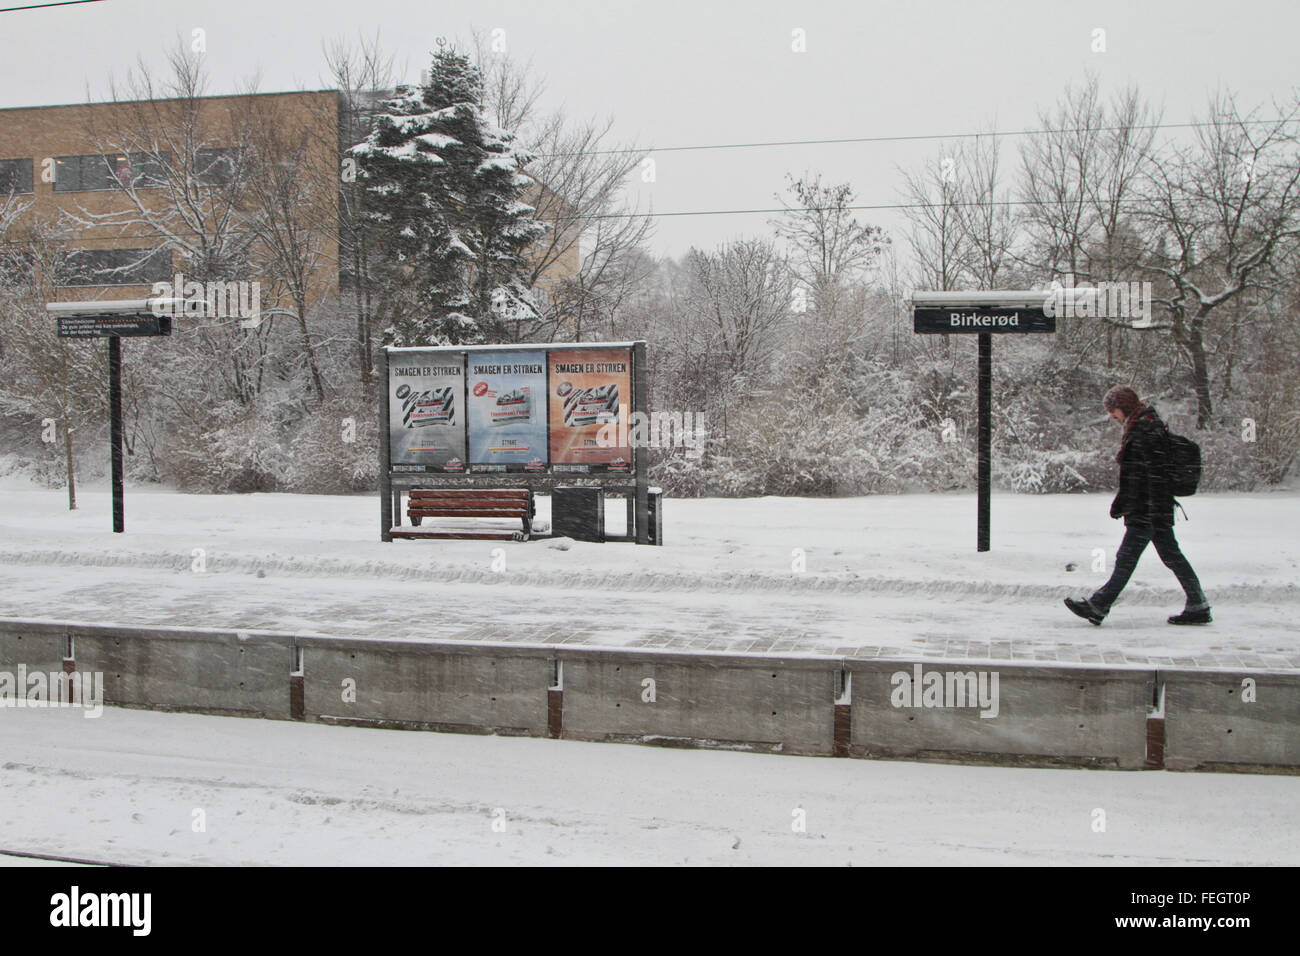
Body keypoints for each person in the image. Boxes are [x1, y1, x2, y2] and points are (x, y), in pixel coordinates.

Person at [1065, 385, 1211, 626]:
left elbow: (1153, 474)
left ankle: (1099, 605)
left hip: (1148, 509)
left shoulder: (1145, 428)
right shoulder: (1143, 425)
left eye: (1113, 410)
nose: (1112, 415)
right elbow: (1141, 473)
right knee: (1171, 556)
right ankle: (1198, 604)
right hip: (1152, 507)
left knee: (1127, 557)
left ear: (1124, 406)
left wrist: (1145, 510)